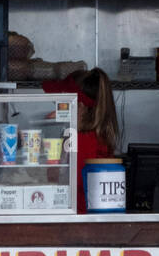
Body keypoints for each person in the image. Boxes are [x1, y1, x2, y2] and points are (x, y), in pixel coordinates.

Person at [43, 68, 120, 214]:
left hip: (80, 219)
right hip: (74, 216)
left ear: (79, 106)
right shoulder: (77, 135)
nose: (56, 106)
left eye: (60, 103)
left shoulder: (84, 141)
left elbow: (58, 180)